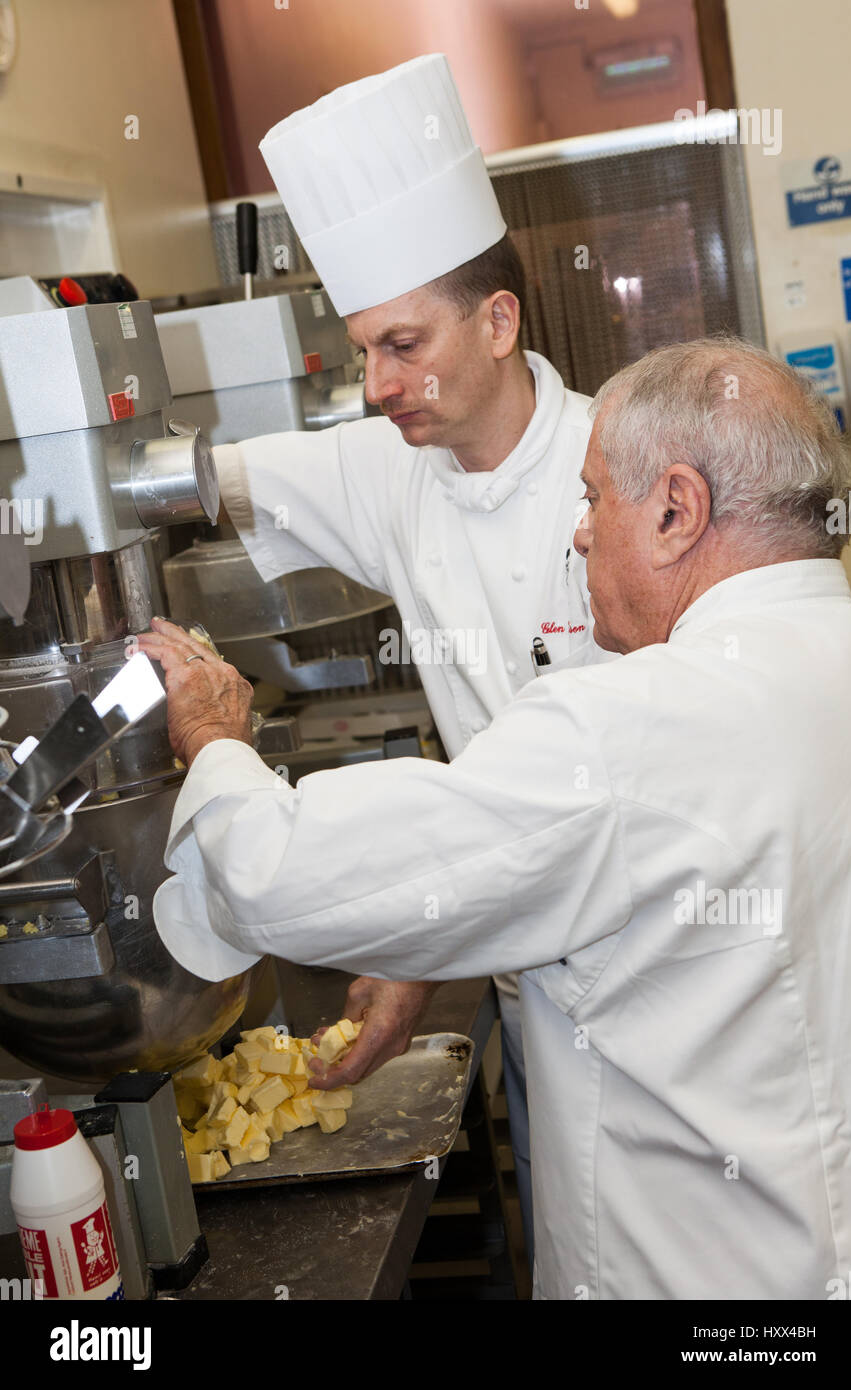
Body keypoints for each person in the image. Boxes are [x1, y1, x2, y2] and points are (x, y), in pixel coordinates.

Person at [141, 336, 851, 1299]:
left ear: (677, 510)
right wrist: (434, 935)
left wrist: (215, 736)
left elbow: (285, 875)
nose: (577, 534)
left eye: (595, 498)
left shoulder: (631, 723)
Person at [212, 53, 614, 1260]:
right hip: (528, 996)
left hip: (660, 989)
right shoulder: (401, 469)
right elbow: (210, 487)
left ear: (496, 322)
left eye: (400, 345)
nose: (375, 387)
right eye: (361, 352)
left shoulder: (619, 478)